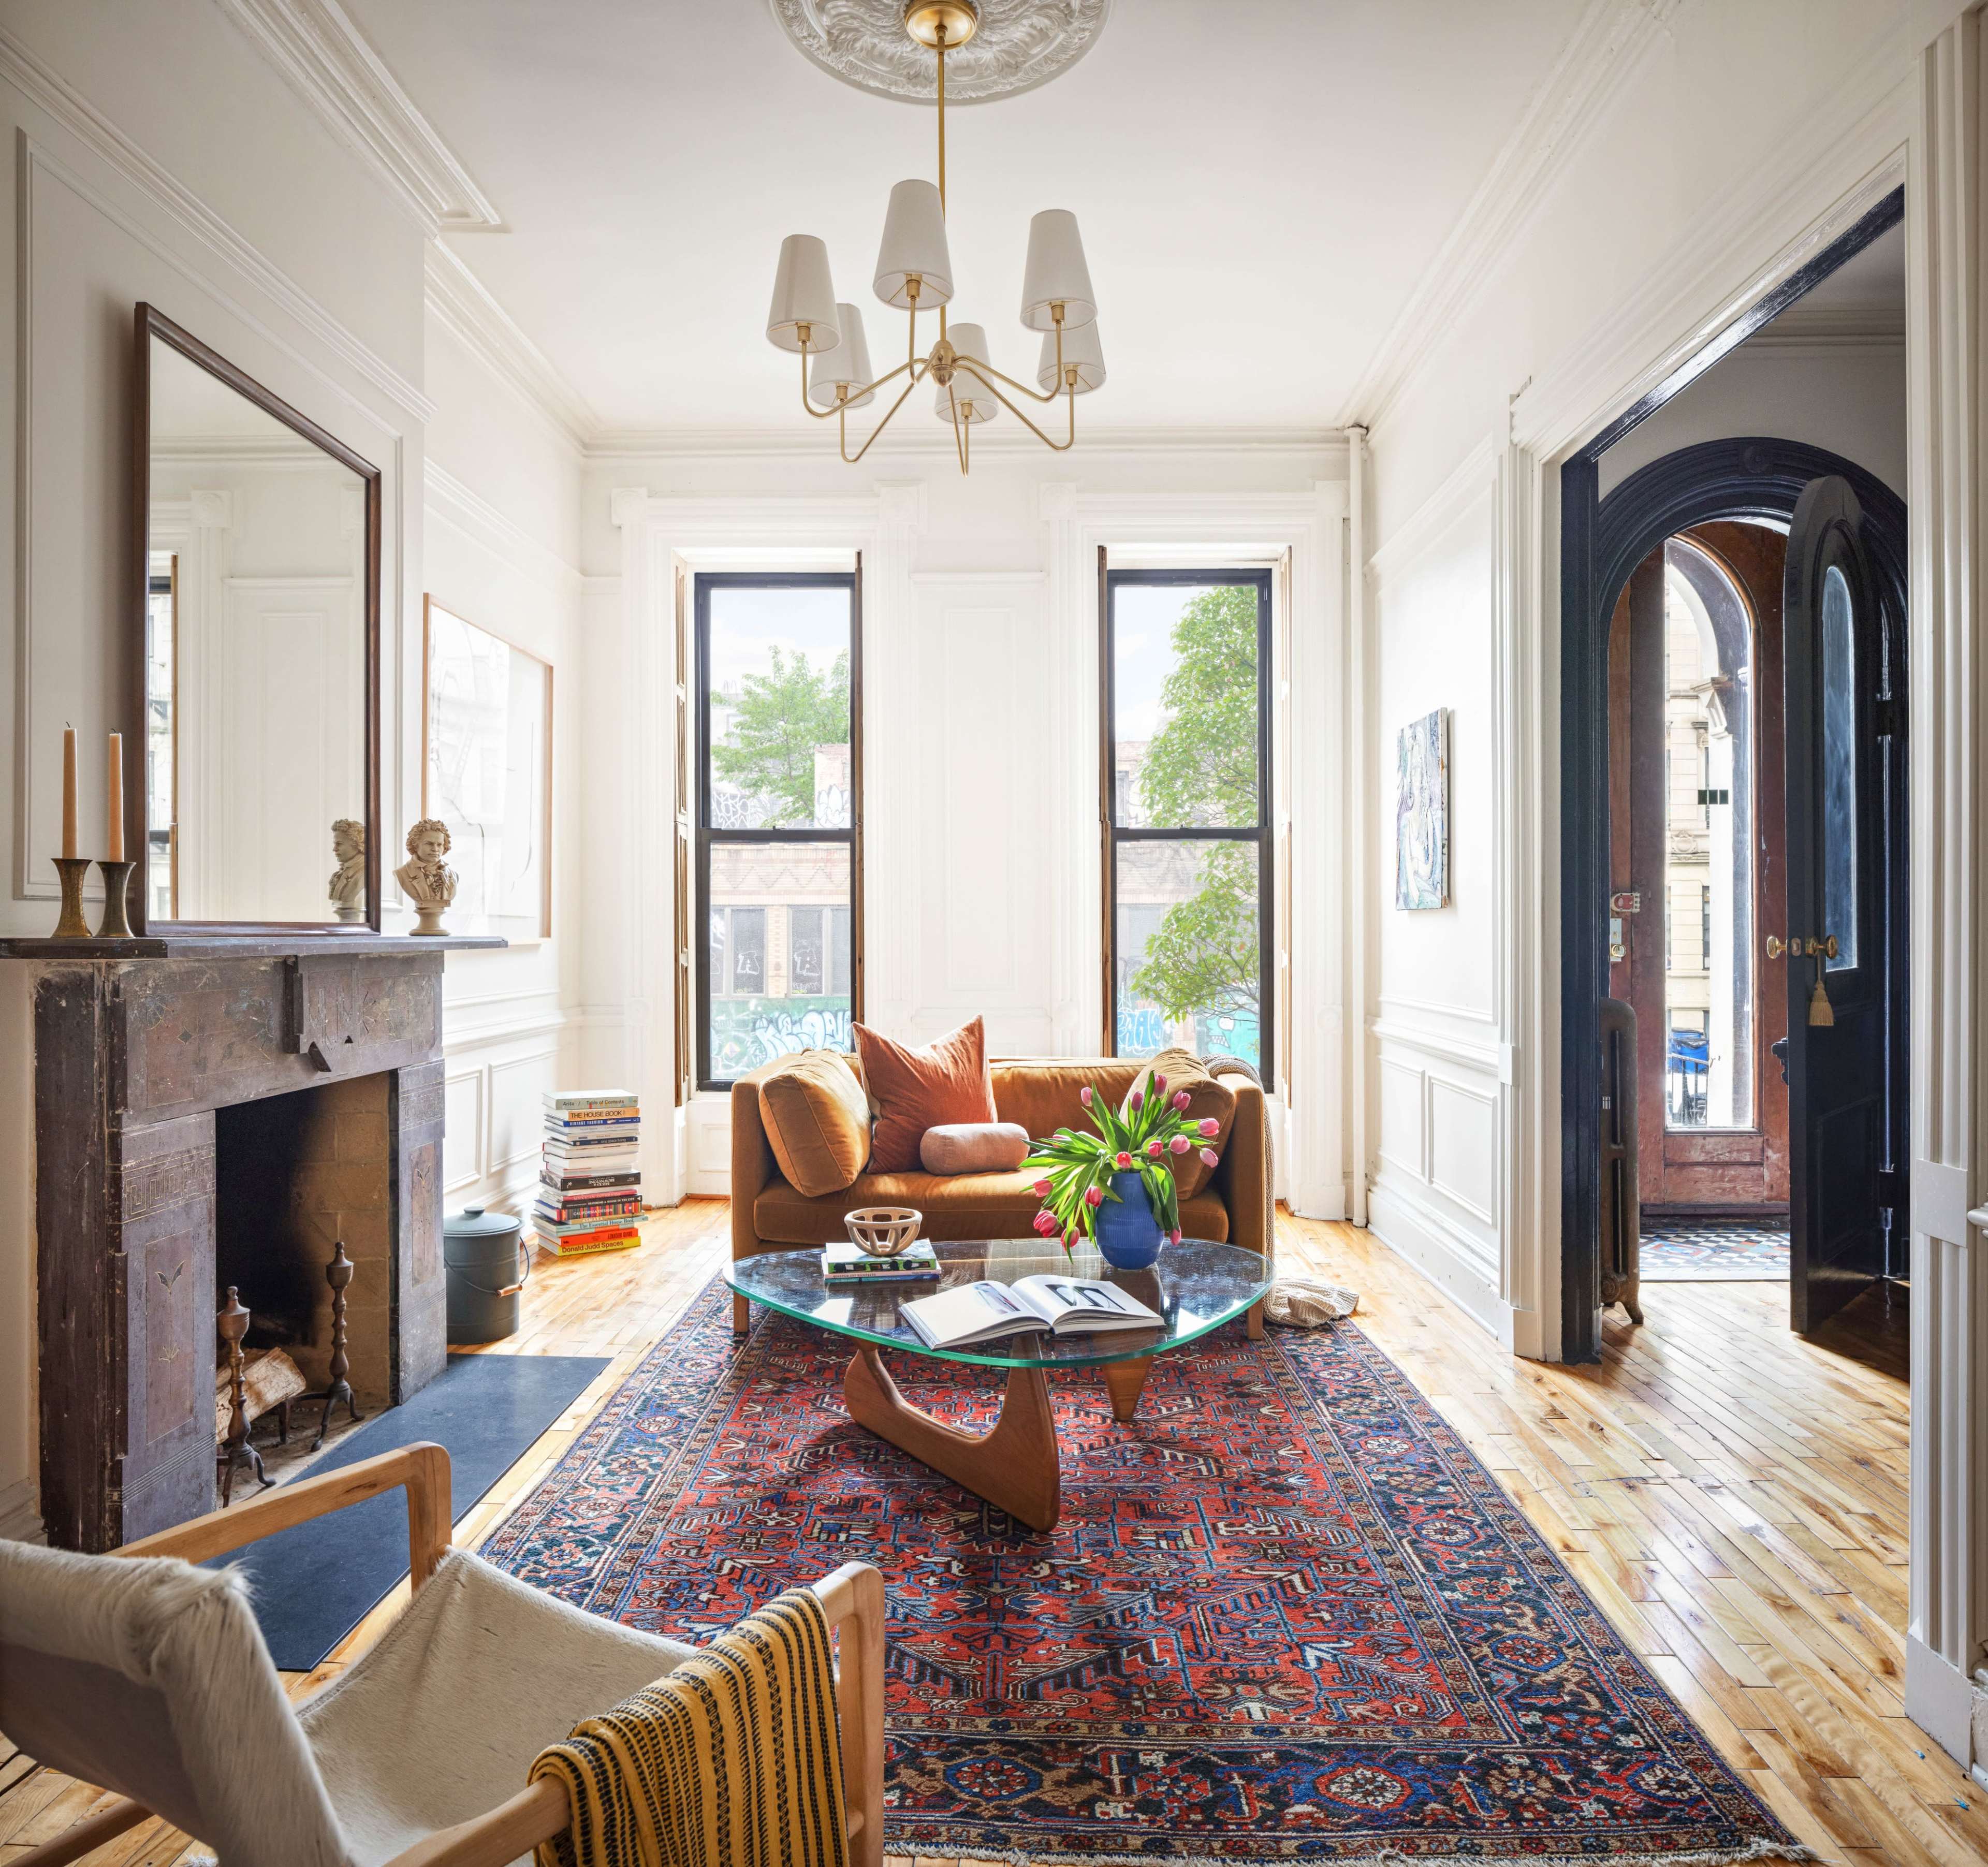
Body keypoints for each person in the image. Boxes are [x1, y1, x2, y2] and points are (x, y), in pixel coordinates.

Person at [395, 818, 457, 934]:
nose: (435, 849)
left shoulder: (453, 875)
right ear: (415, 845)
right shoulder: (402, 873)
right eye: (429, 844)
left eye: (440, 845)